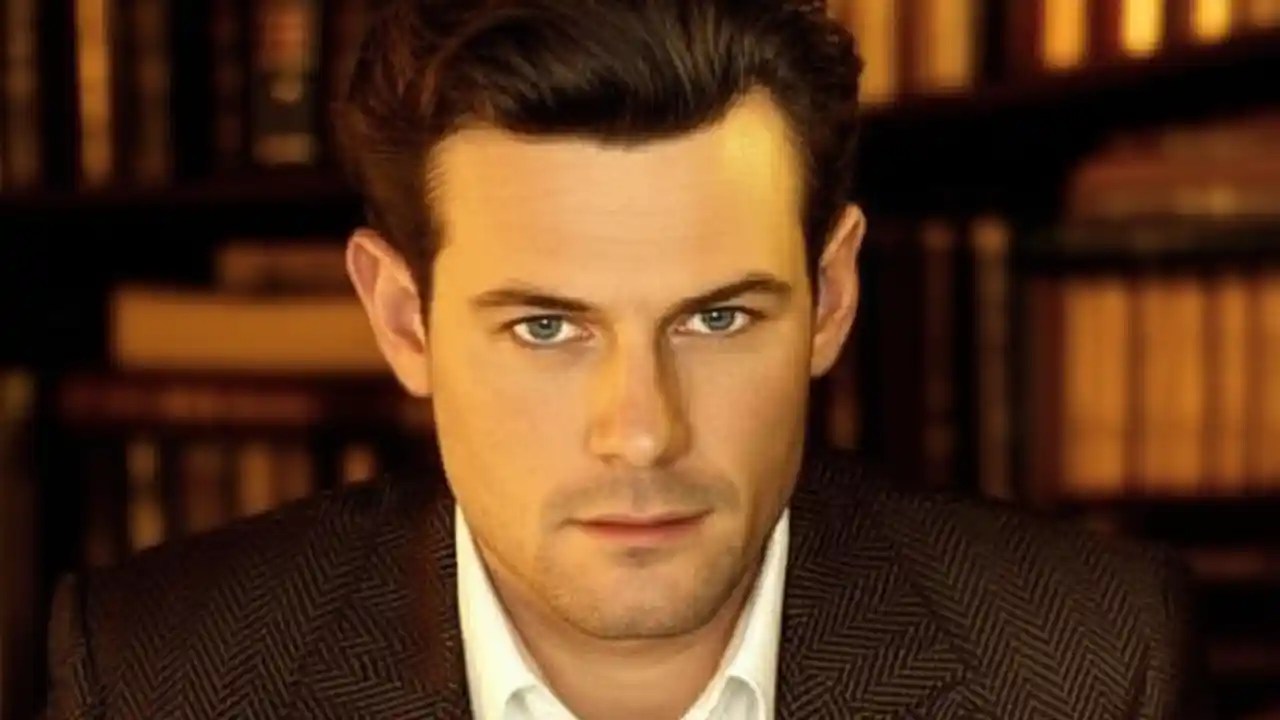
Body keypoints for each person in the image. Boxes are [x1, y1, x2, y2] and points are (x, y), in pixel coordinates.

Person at [43, 0, 1213, 718]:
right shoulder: (159, 675)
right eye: (546, 328)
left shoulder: (1089, 666)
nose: (641, 431)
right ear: (403, 319)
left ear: (831, 295)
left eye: (715, 320)